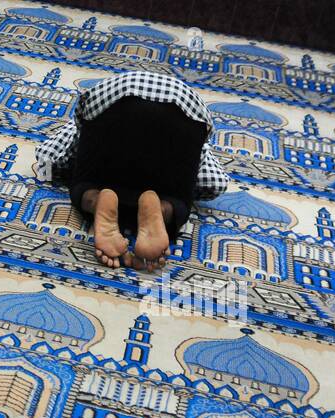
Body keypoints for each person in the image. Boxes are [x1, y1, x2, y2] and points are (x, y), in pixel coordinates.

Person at [34, 71, 230, 272]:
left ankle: (96, 199)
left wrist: (64, 175)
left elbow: (47, 157)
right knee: (179, 199)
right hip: (185, 118)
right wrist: (186, 190)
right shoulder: (200, 139)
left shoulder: (82, 120)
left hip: (114, 109)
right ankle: (162, 209)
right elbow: (215, 183)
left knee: (84, 184)